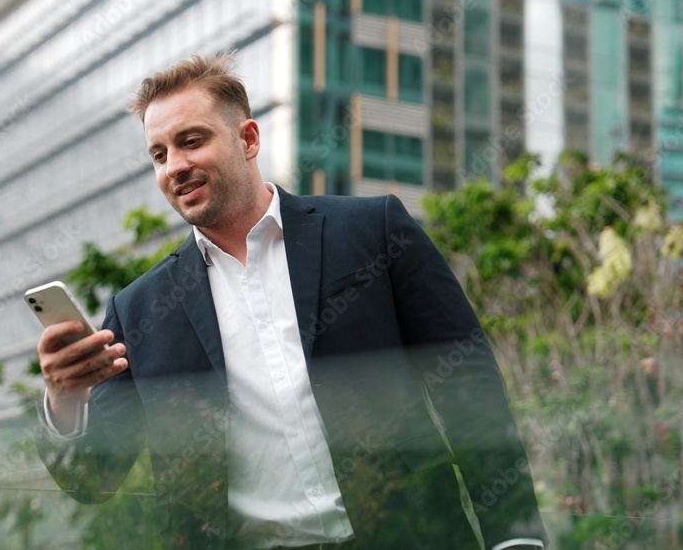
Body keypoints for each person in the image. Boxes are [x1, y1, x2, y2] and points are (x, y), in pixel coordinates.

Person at [35, 52, 548, 549]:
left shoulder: (374, 231)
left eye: (192, 141)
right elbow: (91, 482)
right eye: (159, 153)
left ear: (248, 138)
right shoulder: (139, 310)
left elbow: (469, 389)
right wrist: (64, 400)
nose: (175, 166)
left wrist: (516, 535)